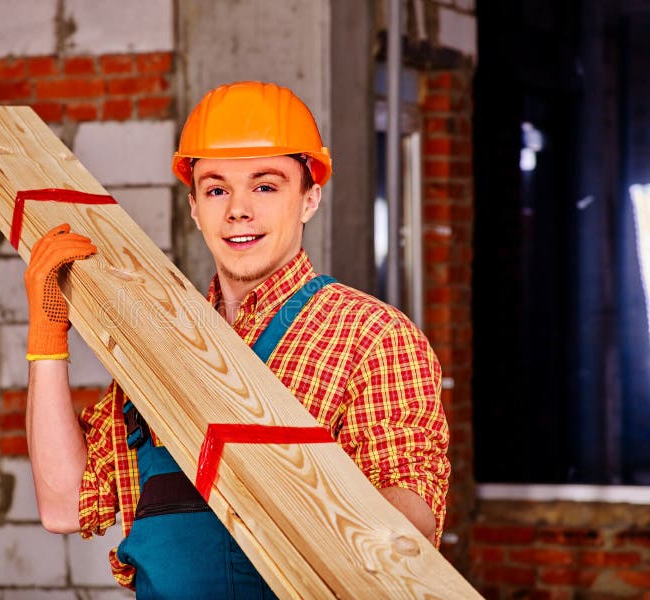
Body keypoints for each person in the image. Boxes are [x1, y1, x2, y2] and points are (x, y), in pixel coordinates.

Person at [24, 81, 450, 598]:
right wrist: (47, 339)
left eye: (266, 186)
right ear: (194, 207)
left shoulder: (370, 336)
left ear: (310, 198)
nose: (238, 211)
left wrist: (298, 496)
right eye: (217, 188)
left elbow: (412, 525)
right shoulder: (159, 344)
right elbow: (64, 505)